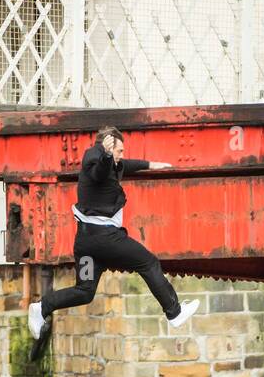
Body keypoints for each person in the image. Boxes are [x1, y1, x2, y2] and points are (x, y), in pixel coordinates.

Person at [27, 126, 199, 340]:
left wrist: (151, 165)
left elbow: (126, 165)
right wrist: (107, 156)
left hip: (87, 244)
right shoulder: (95, 159)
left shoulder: (112, 163)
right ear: (107, 146)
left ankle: (42, 307)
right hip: (105, 239)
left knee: (85, 290)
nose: (122, 155)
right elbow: (99, 172)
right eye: (120, 151)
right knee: (149, 263)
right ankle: (175, 313)